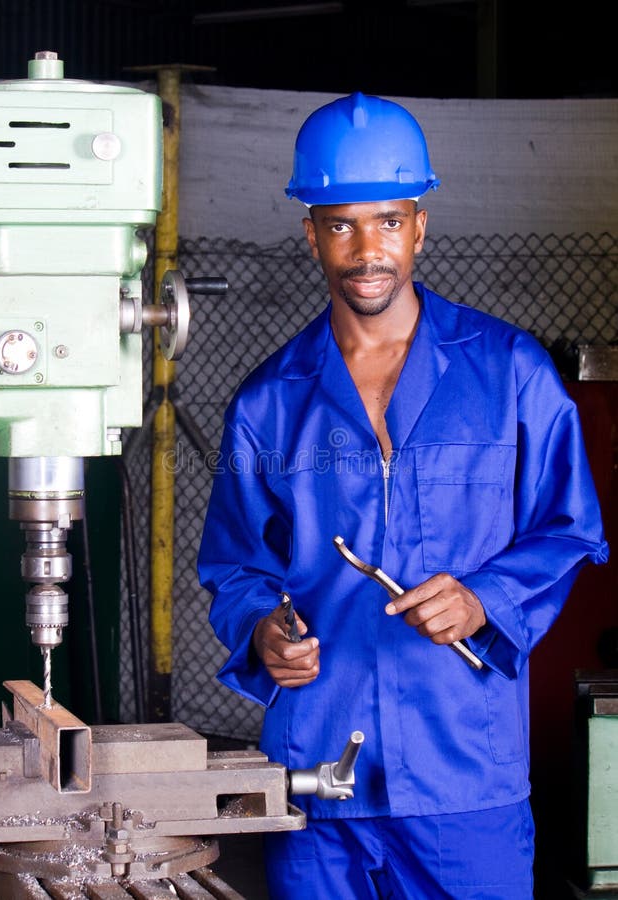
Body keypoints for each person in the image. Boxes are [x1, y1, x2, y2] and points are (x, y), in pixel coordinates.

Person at [197, 91, 608, 899]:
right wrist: (261, 630)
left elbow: (568, 530)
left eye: (387, 221)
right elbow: (235, 566)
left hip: (463, 777)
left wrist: (484, 599)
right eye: (340, 224)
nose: (366, 249)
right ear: (310, 233)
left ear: (419, 225)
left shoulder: (508, 372)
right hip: (317, 776)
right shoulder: (269, 401)